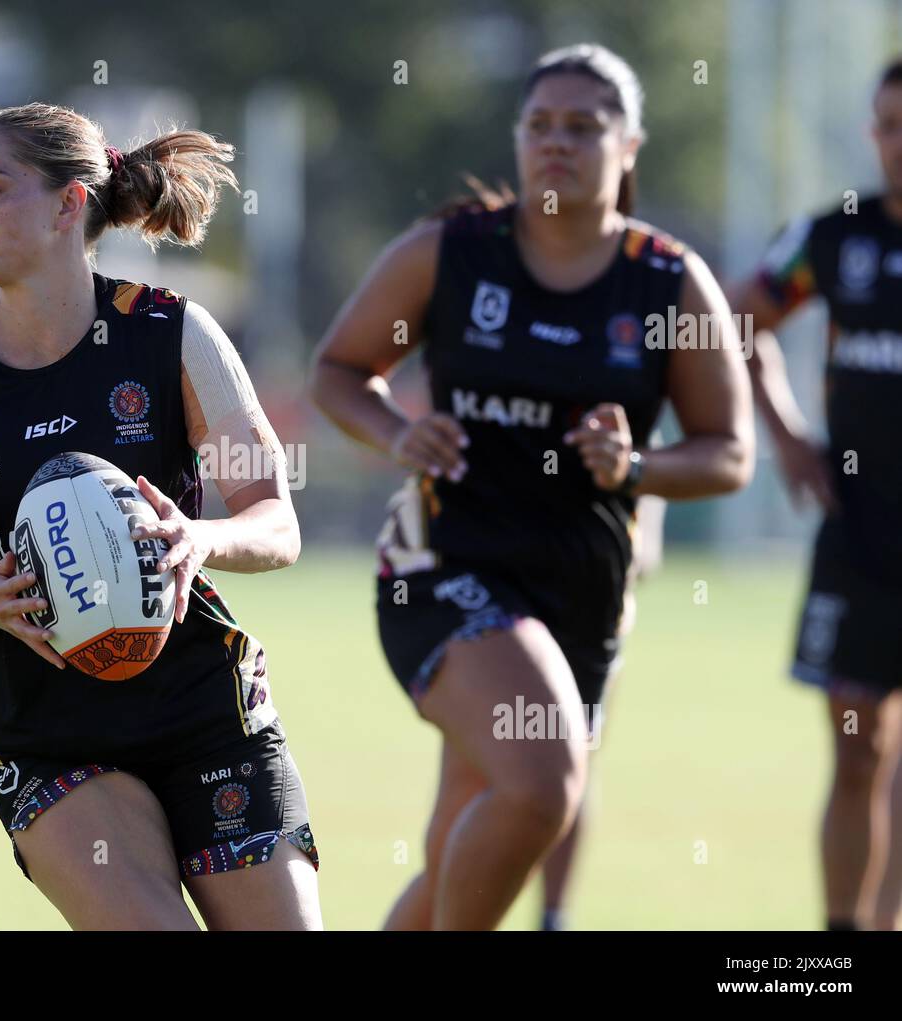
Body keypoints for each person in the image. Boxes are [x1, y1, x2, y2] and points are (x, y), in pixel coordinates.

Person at [309, 43, 754, 930]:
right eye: (540, 124)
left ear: (630, 147)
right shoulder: (450, 251)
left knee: (458, 854)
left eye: (584, 127)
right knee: (546, 776)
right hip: (445, 568)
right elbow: (339, 370)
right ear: (517, 138)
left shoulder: (667, 279)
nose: (558, 142)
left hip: (580, 596)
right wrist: (402, 431)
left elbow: (729, 454)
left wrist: (637, 470)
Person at [0, 101, 321, 930]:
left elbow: (276, 522)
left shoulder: (172, 336)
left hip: (203, 710)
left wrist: (200, 538)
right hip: (46, 731)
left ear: (68, 203)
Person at [725, 58, 902, 932]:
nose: (897, 143)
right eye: (887, 124)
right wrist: (788, 435)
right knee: (858, 742)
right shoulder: (835, 236)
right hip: (859, 530)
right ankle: (842, 940)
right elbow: (735, 318)